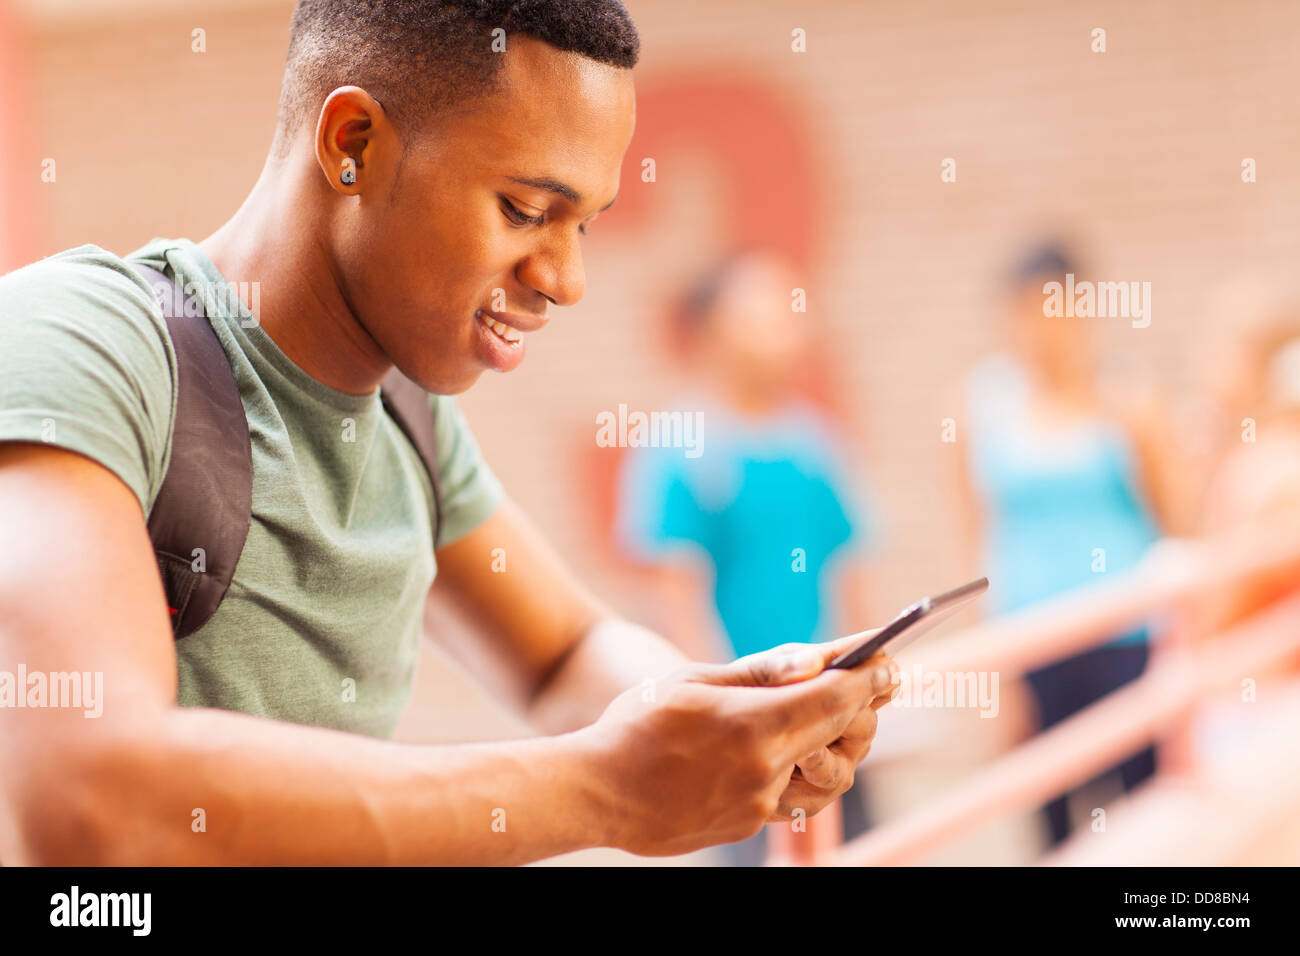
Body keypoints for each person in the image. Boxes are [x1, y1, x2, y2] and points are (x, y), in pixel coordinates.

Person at [0, 1, 899, 865]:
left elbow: (564, 656)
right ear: (353, 144)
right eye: (525, 210)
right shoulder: (84, 342)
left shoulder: (406, 412)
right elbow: (90, 797)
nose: (566, 281)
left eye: (583, 226)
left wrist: (732, 717)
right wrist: (606, 791)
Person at [614, 249, 882, 864]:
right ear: (710, 334)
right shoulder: (679, 450)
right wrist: (729, 712)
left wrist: (865, 688)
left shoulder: (816, 443)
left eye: (791, 311)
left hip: (830, 714)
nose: (787, 328)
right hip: (747, 729)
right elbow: (677, 599)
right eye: (763, 315)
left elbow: (852, 575)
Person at [949, 242, 1181, 848]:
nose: (1042, 326)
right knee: (1053, 826)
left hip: (1125, 639)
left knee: (1144, 817)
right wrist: (992, 673)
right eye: (1025, 310)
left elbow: (1173, 519)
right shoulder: (984, 405)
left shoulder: (1127, 395)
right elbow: (975, 538)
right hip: (1032, 641)